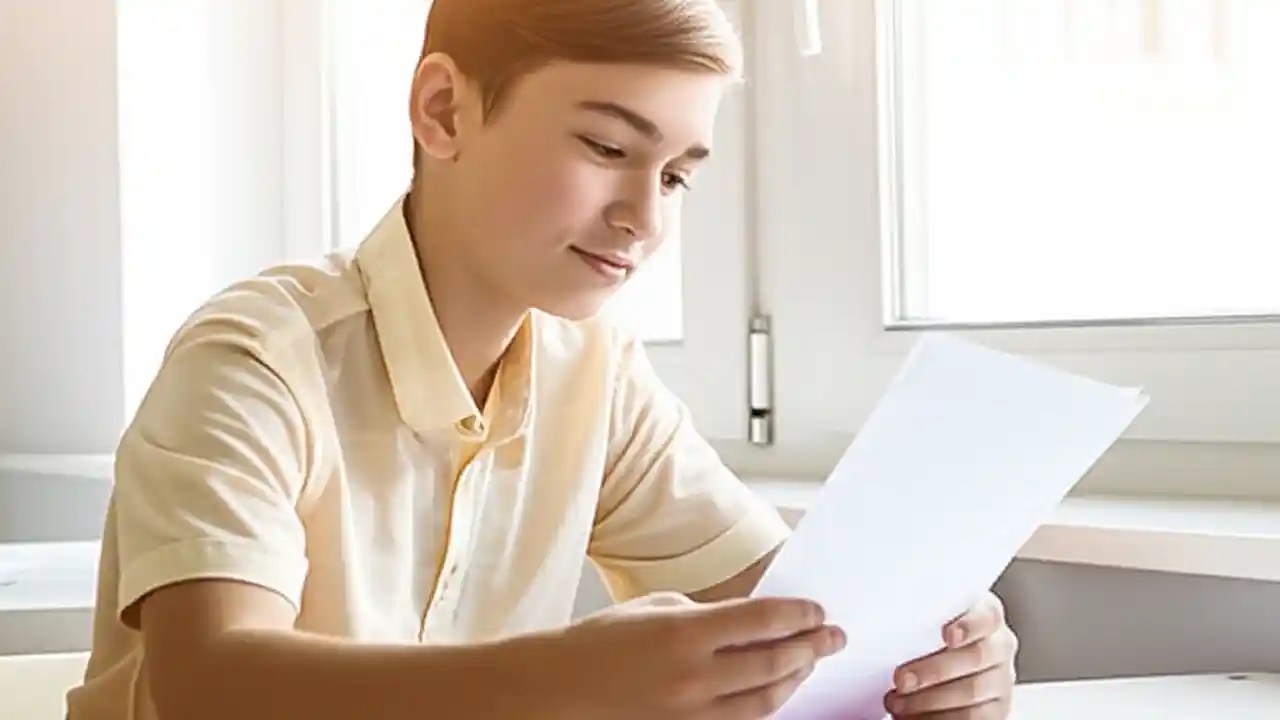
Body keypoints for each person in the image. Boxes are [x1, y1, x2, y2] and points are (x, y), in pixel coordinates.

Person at [67, 1, 1018, 718]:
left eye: (678, 174)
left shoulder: (595, 375)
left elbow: (790, 604)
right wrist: (564, 679)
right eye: (607, 145)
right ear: (443, 111)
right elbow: (210, 682)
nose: (646, 218)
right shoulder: (253, 362)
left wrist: (936, 644)